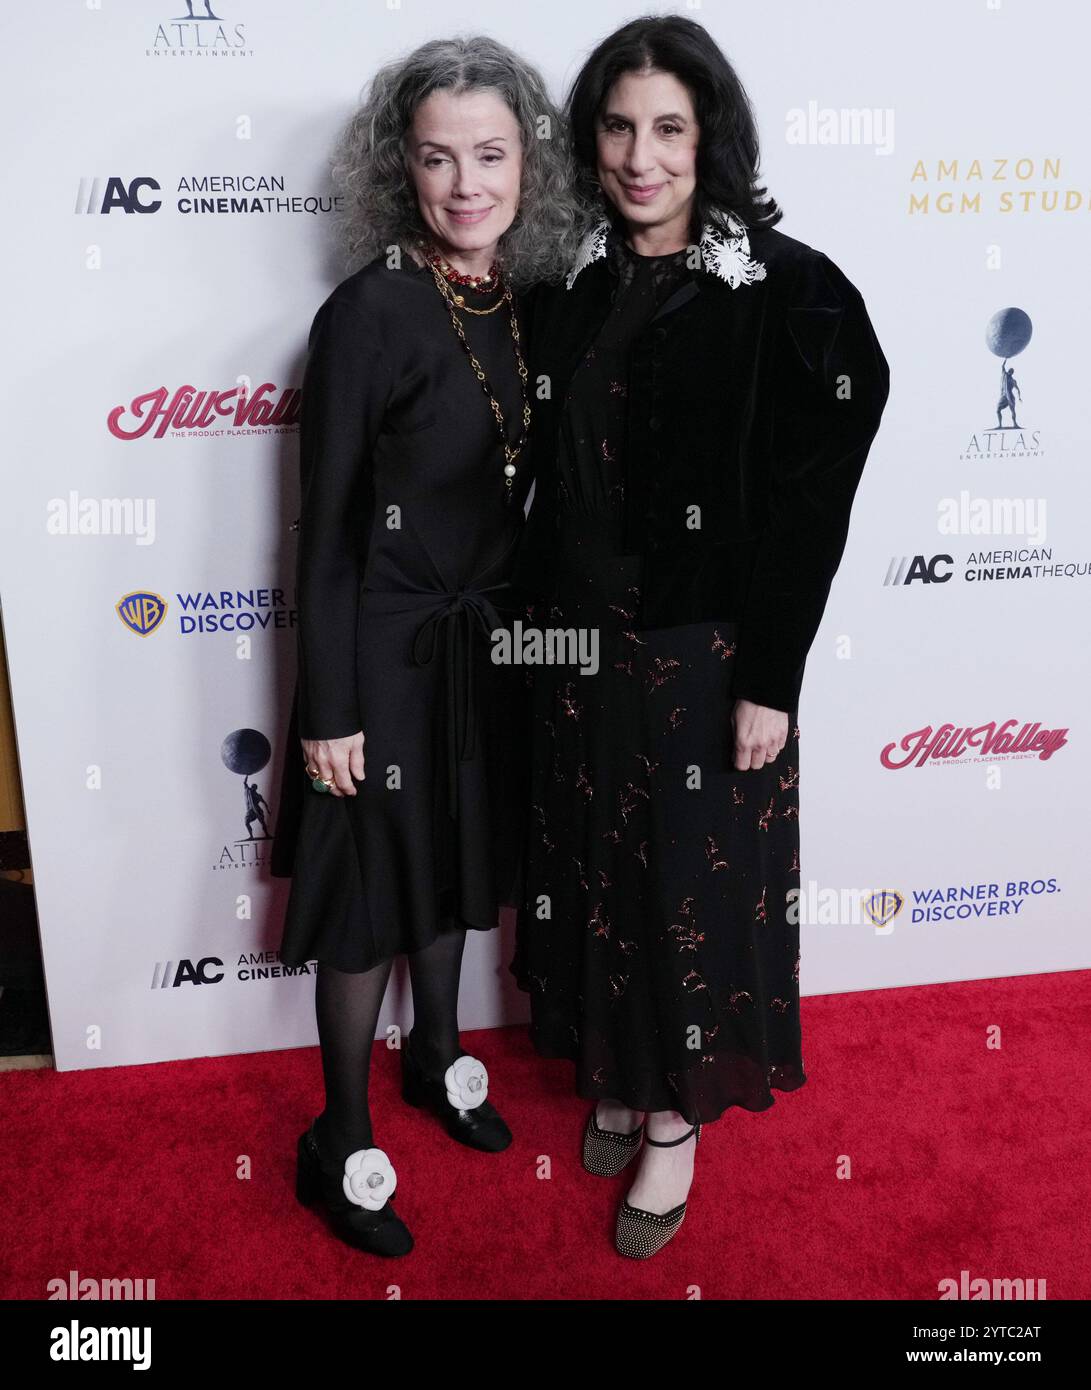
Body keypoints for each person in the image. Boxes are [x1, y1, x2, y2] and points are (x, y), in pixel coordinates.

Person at [509, 15, 891, 1259]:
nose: (640, 157)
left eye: (667, 128)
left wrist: (769, 677)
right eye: (617, 127)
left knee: (687, 886)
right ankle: (619, 1073)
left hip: (705, 654)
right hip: (576, 648)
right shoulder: (571, 285)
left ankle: (673, 1120)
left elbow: (811, 503)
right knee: (595, 873)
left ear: (709, 138)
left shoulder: (790, 291)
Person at [269, 36, 582, 1257]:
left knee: (453, 861)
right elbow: (326, 529)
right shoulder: (366, 313)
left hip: (483, 647)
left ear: (527, 164)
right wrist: (327, 709)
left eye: (489, 155)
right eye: (437, 157)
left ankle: (437, 1053)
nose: (465, 184)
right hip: (380, 649)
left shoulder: (531, 303)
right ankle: (336, 1134)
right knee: (365, 894)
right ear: (398, 167)